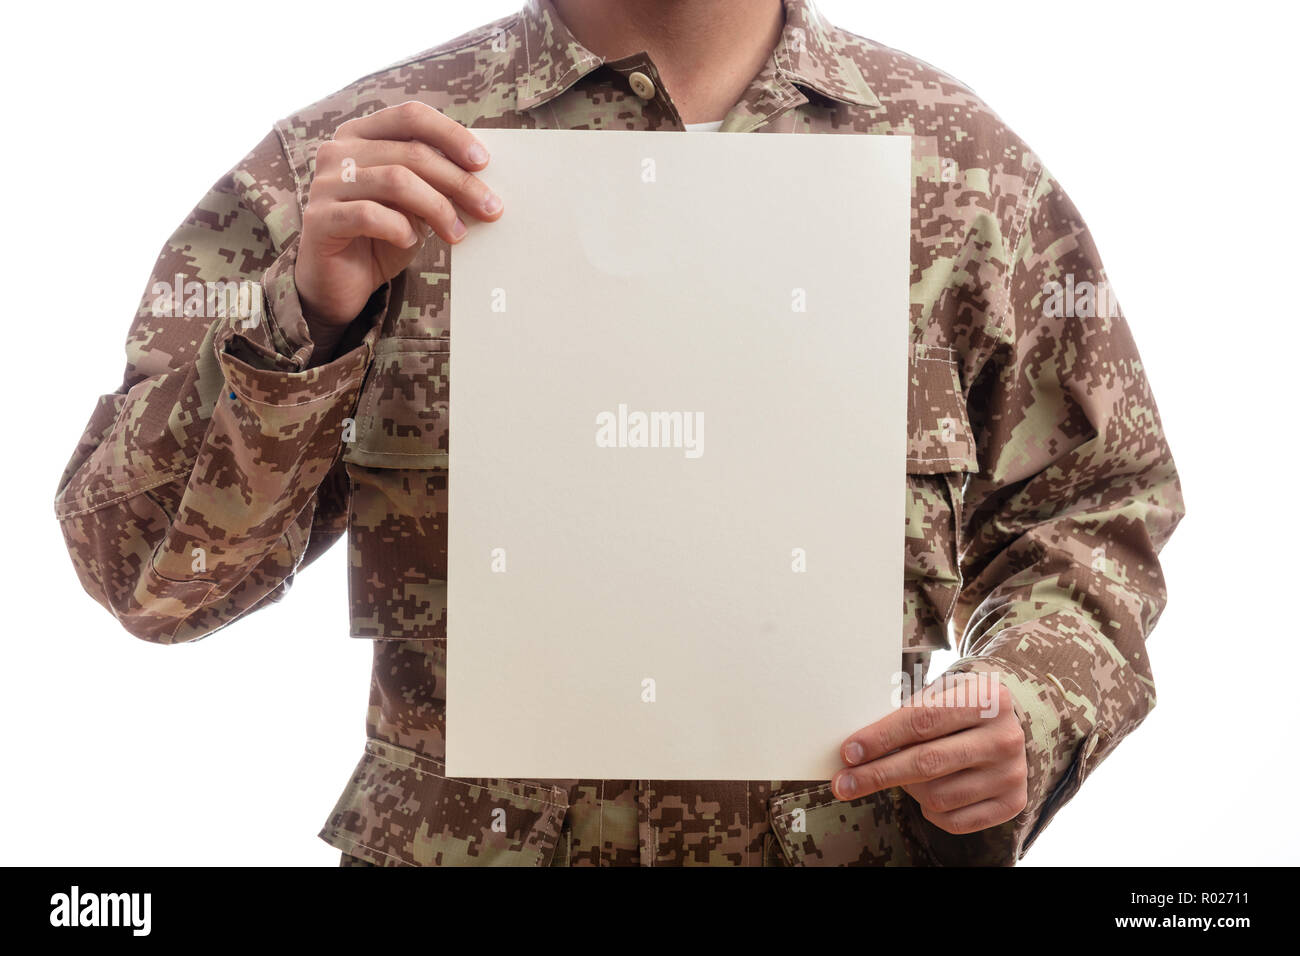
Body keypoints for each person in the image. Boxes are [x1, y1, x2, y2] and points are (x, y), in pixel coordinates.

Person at [53, 0, 1184, 866]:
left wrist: (1029, 702)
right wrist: (307, 318)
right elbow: (151, 578)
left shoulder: (968, 175)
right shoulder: (345, 171)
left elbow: (1092, 514)